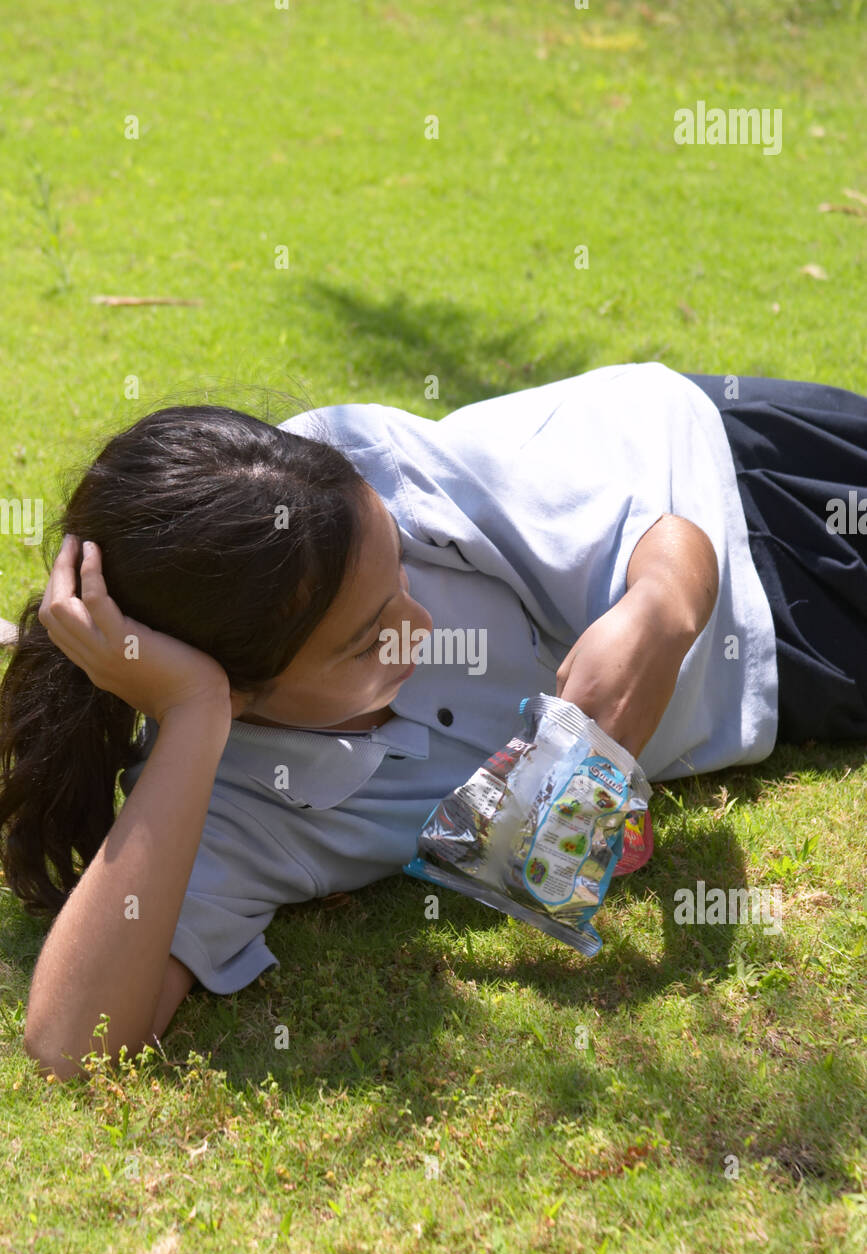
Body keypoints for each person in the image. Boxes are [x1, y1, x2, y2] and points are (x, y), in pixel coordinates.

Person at [0, 361, 864, 1081]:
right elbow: (73, 1041)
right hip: (776, 661)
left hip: (730, 466)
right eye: (366, 638)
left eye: (400, 583)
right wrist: (190, 716)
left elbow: (656, 530)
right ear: (243, 694)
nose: (418, 625)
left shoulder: (357, 472)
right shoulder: (230, 800)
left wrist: (661, 607)